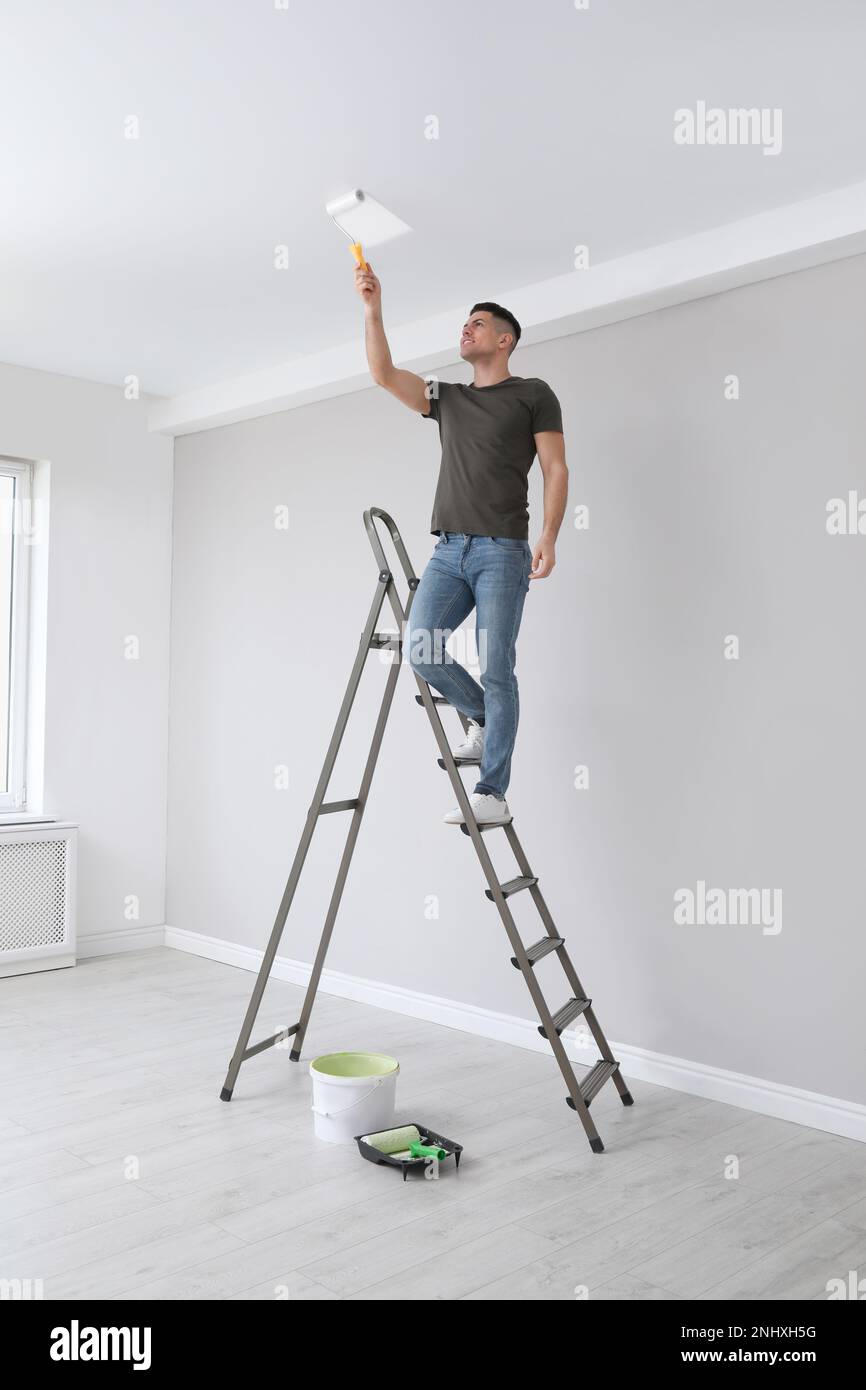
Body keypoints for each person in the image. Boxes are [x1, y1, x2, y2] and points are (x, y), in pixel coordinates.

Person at [355, 261, 568, 824]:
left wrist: (548, 534)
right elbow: (382, 373)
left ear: (505, 339)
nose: (465, 331)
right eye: (464, 324)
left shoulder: (533, 394)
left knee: (498, 666)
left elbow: (555, 467)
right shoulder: (447, 398)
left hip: (502, 549)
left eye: (477, 324)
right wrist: (373, 308)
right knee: (421, 647)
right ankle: (479, 718)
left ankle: (493, 793)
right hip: (449, 551)